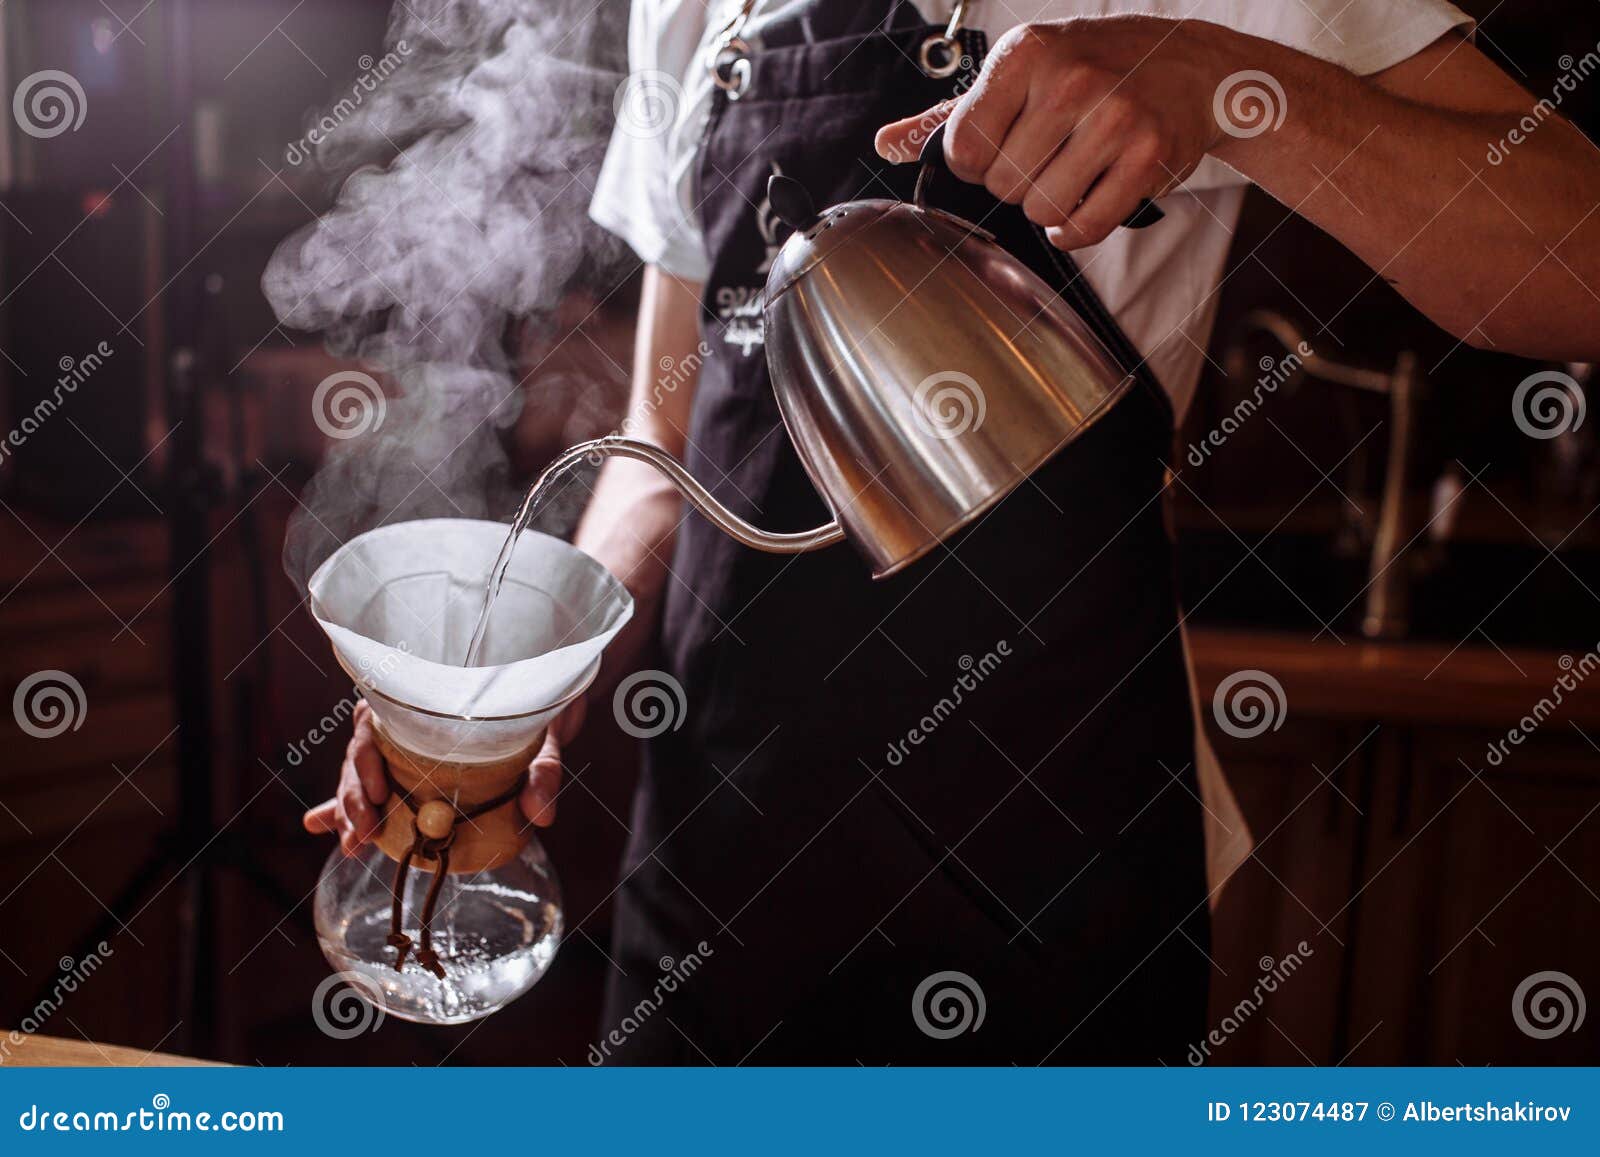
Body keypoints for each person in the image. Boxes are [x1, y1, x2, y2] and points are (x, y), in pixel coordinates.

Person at [306, 0, 1600, 1063]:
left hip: (1042, 872)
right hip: (715, 872)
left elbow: (1579, 262)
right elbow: (667, 434)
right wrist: (528, 665)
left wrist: (1220, 84)